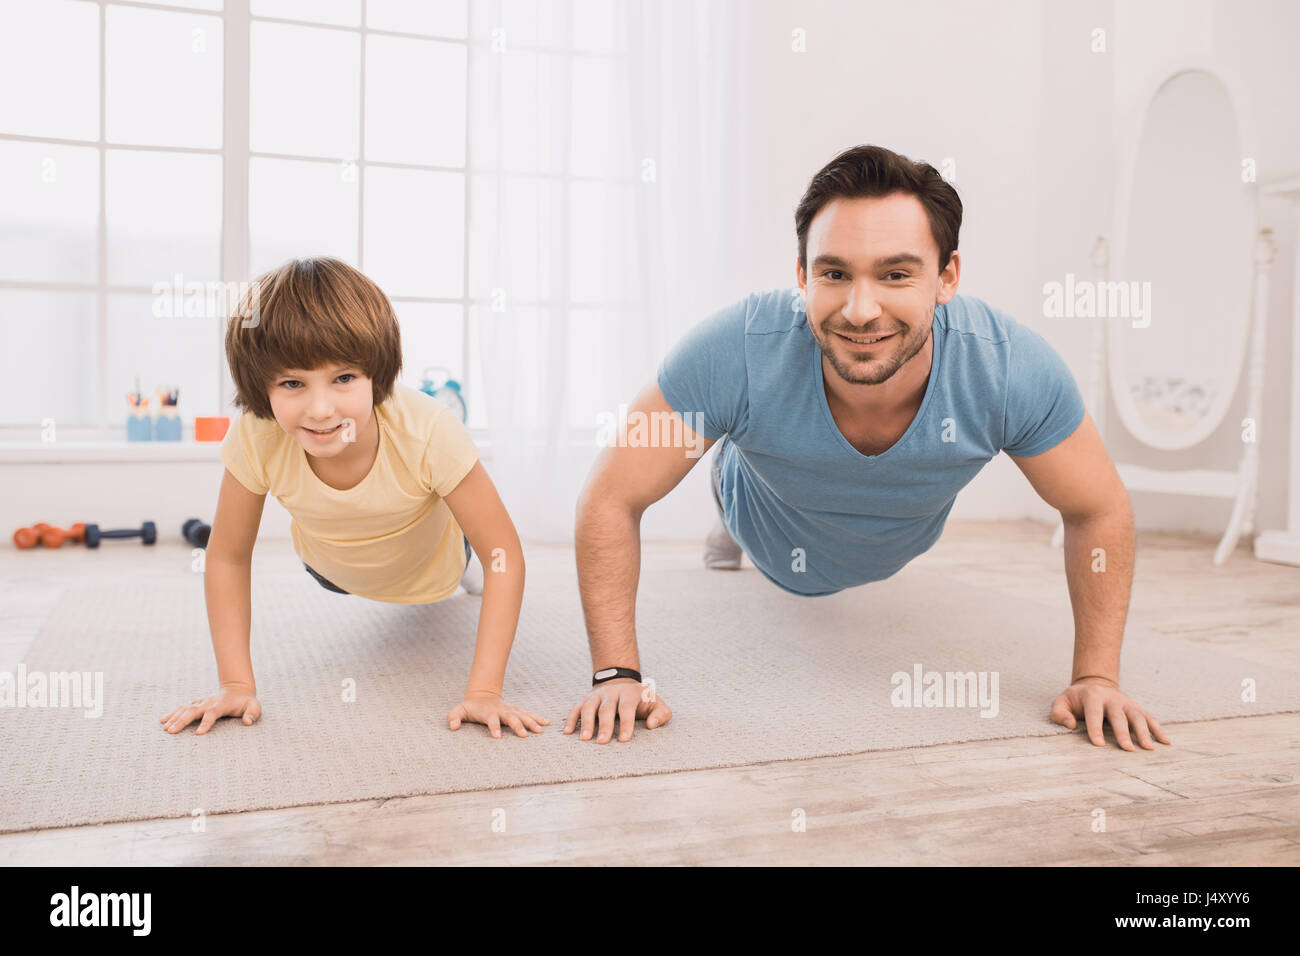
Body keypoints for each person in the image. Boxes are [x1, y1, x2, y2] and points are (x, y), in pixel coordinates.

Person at [567, 144, 1170, 752]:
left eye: (895, 274)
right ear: (802, 276)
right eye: (833, 273)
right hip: (762, 516)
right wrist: (616, 673)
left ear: (947, 277)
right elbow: (612, 495)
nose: (860, 310)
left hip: (894, 544)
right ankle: (727, 512)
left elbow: (1098, 508)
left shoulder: (1009, 368)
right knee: (730, 478)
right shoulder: (737, 348)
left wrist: (1097, 677)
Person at [160, 257, 548, 740]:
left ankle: (460, 570)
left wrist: (485, 691)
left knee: (472, 563)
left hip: (438, 566)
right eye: (292, 383)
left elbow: (503, 554)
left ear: (376, 374)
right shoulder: (256, 436)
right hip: (333, 571)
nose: (321, 410)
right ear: (261, 387)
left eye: (343, 378)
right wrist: (235, 684)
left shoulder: (429, 430)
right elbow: (227, 558)